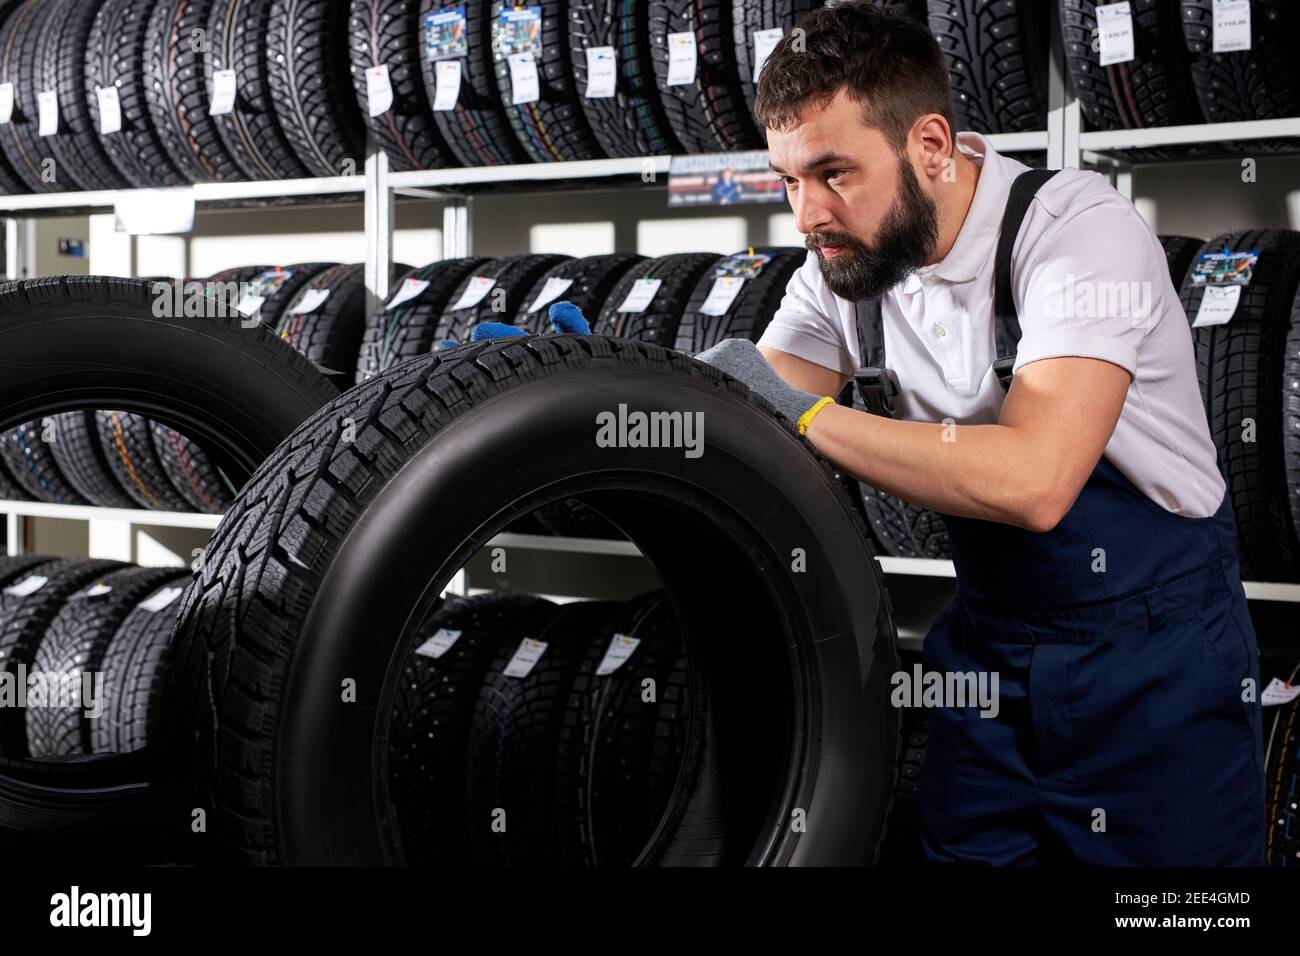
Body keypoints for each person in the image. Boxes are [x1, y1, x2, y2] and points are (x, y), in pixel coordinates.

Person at [460, 1, 1266, 867]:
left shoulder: (1075, 232)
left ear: (929, 145)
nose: (806, 216)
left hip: (1152, 667)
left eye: (833, 173)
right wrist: (596, 379)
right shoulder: (847, 266)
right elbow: (741, 413)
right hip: (991, 656)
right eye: (787, 180)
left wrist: (804, 412)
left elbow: (1037, 480)